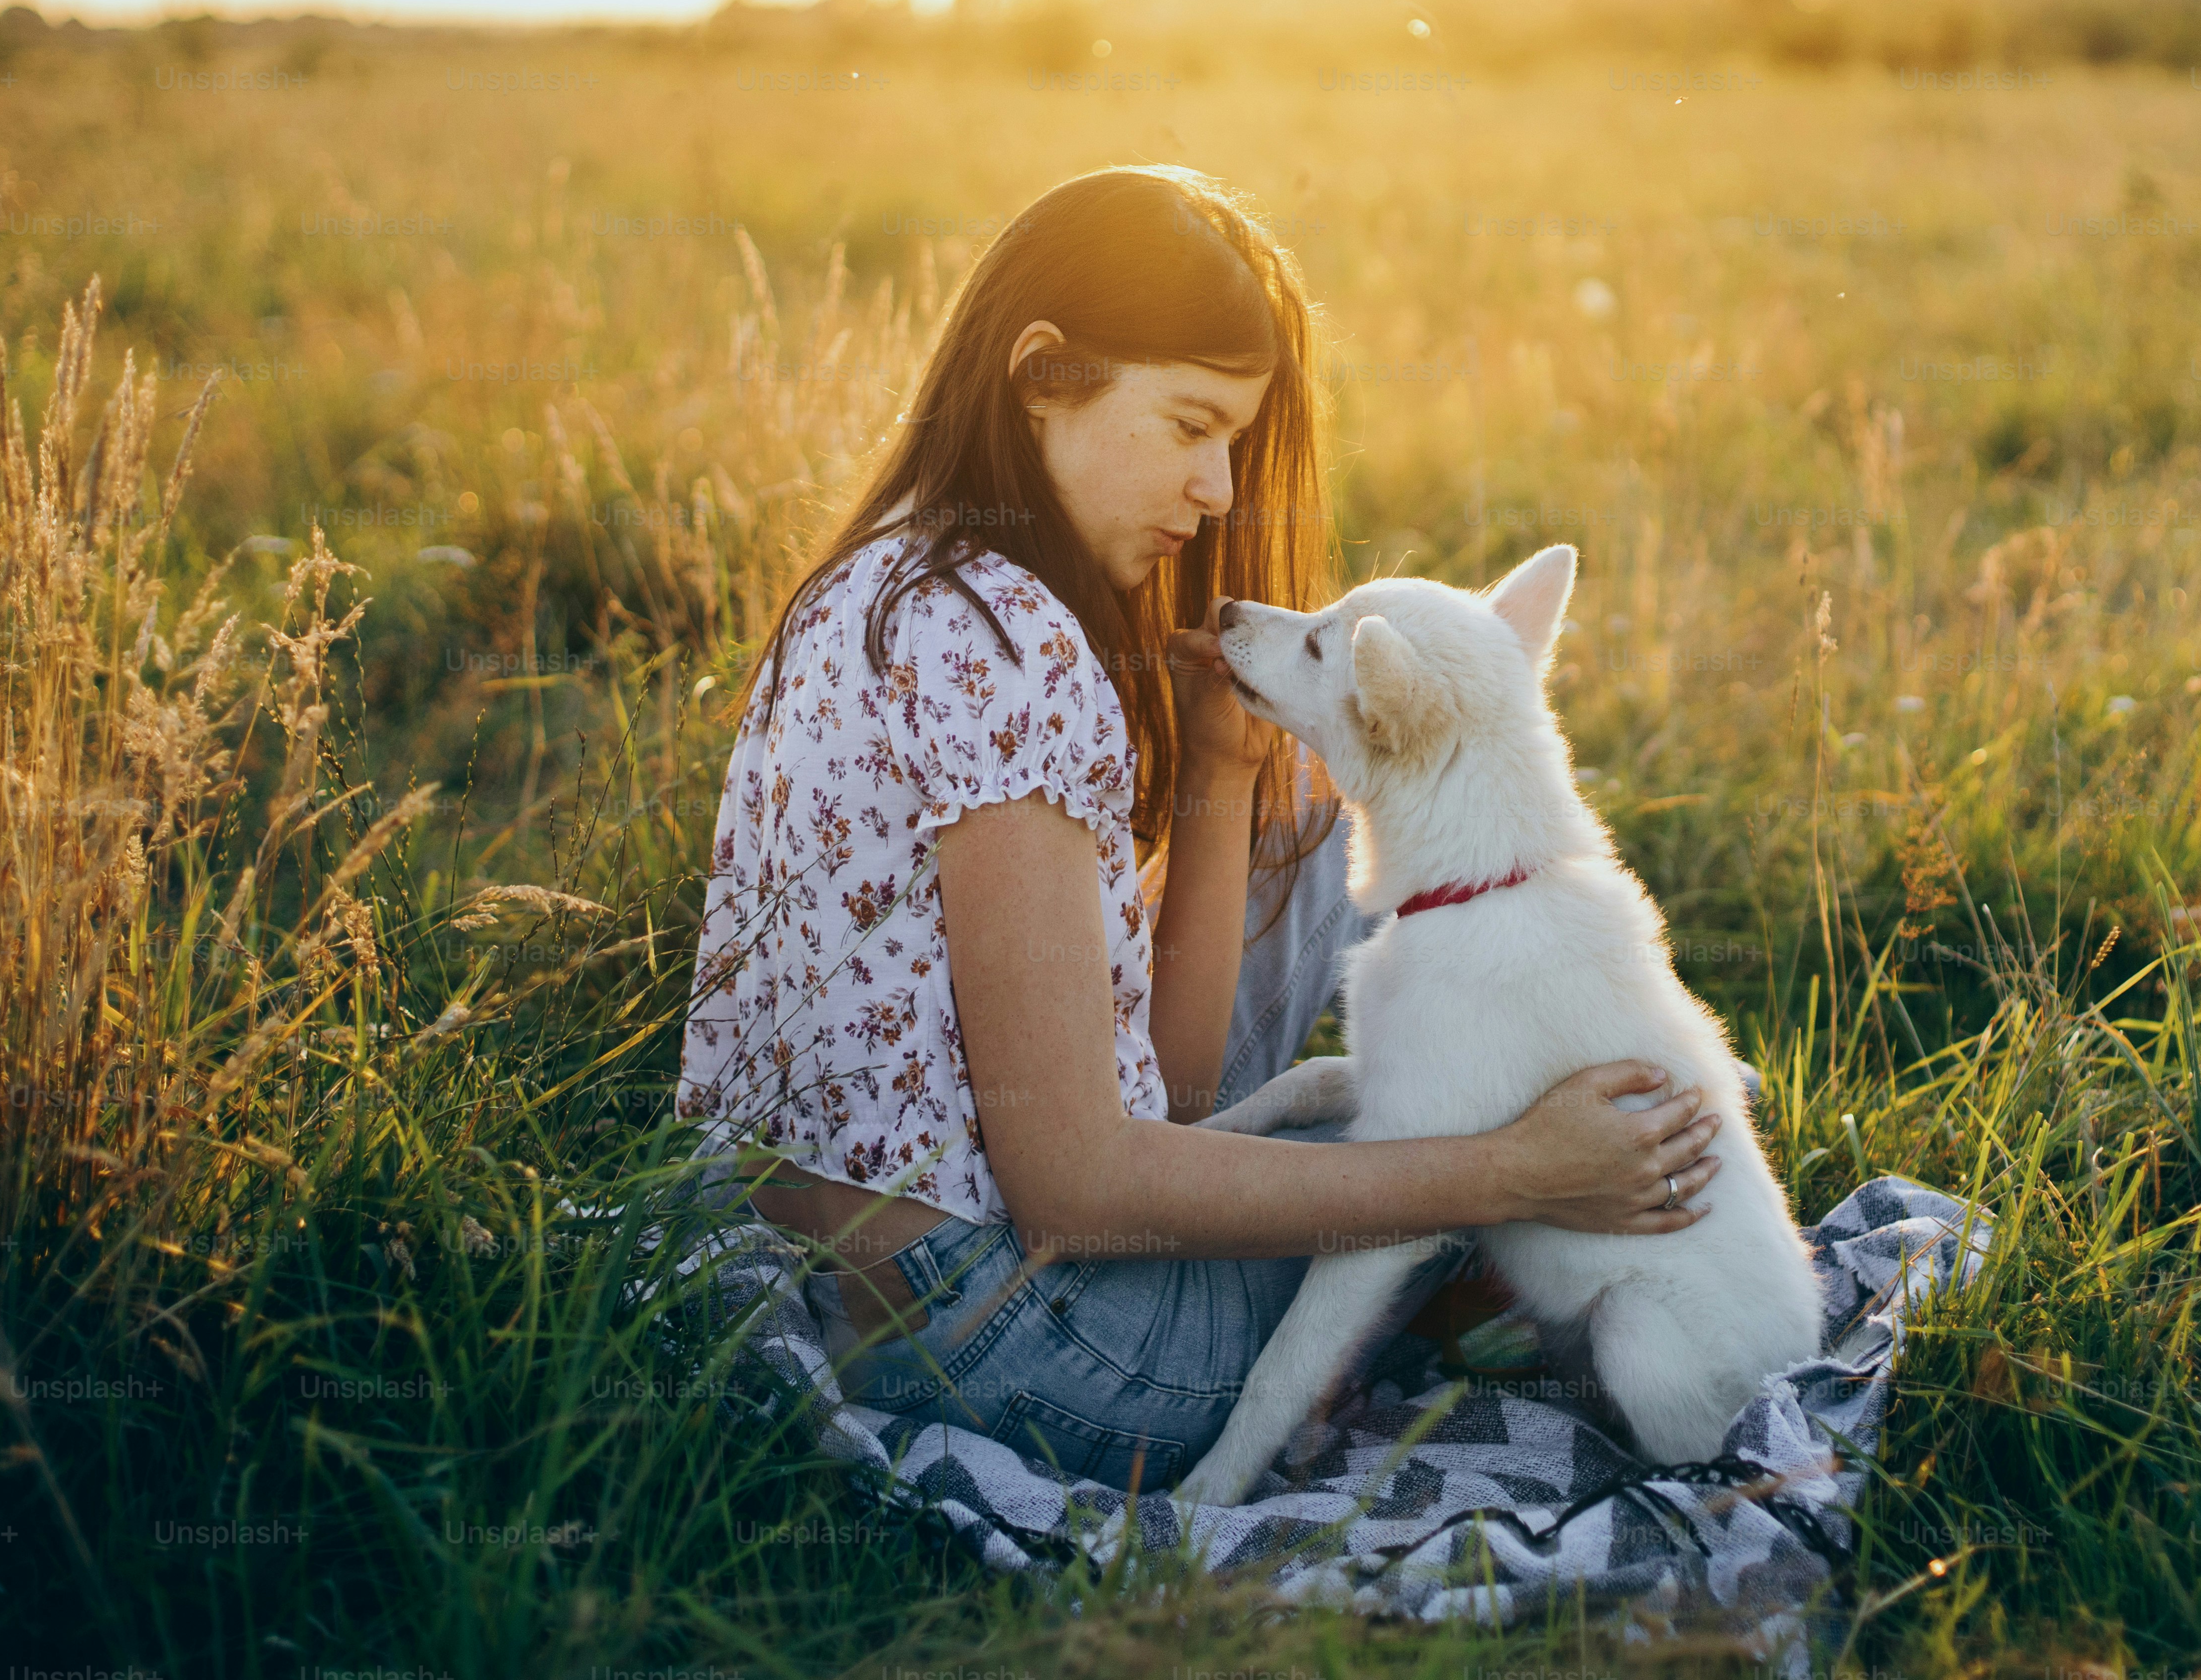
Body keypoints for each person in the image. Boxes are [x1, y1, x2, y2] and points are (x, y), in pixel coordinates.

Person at [680, 165, 1726, 1491]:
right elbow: (1081, 1190)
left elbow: (1156, 1104)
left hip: (852, 1279)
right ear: (1044, 376)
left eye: (1233, 441)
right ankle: (1522, 1306)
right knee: (1470, 1140)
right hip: (1015, 1347)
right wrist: (1510, 1172)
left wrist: (1220, 776)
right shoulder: (1007, 641)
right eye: (1189, 426)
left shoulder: (881, 578)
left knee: (1339, 864)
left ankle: (1506, 1265)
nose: (1221, 489)